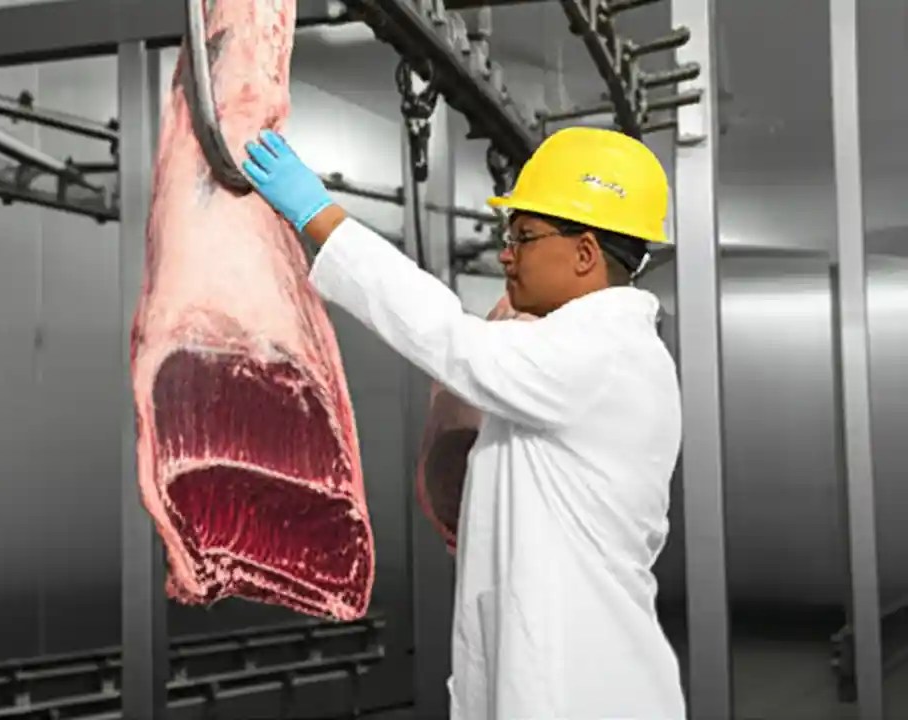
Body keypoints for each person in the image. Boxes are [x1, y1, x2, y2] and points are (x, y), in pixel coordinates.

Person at [241, 126, 686, 720]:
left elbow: (450, 340)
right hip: (547, 672)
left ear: (584, 254)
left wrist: (320, 217)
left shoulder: (601, 355)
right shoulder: (580, 350)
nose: (507, 253)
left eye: (525, 236)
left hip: (580, 685)